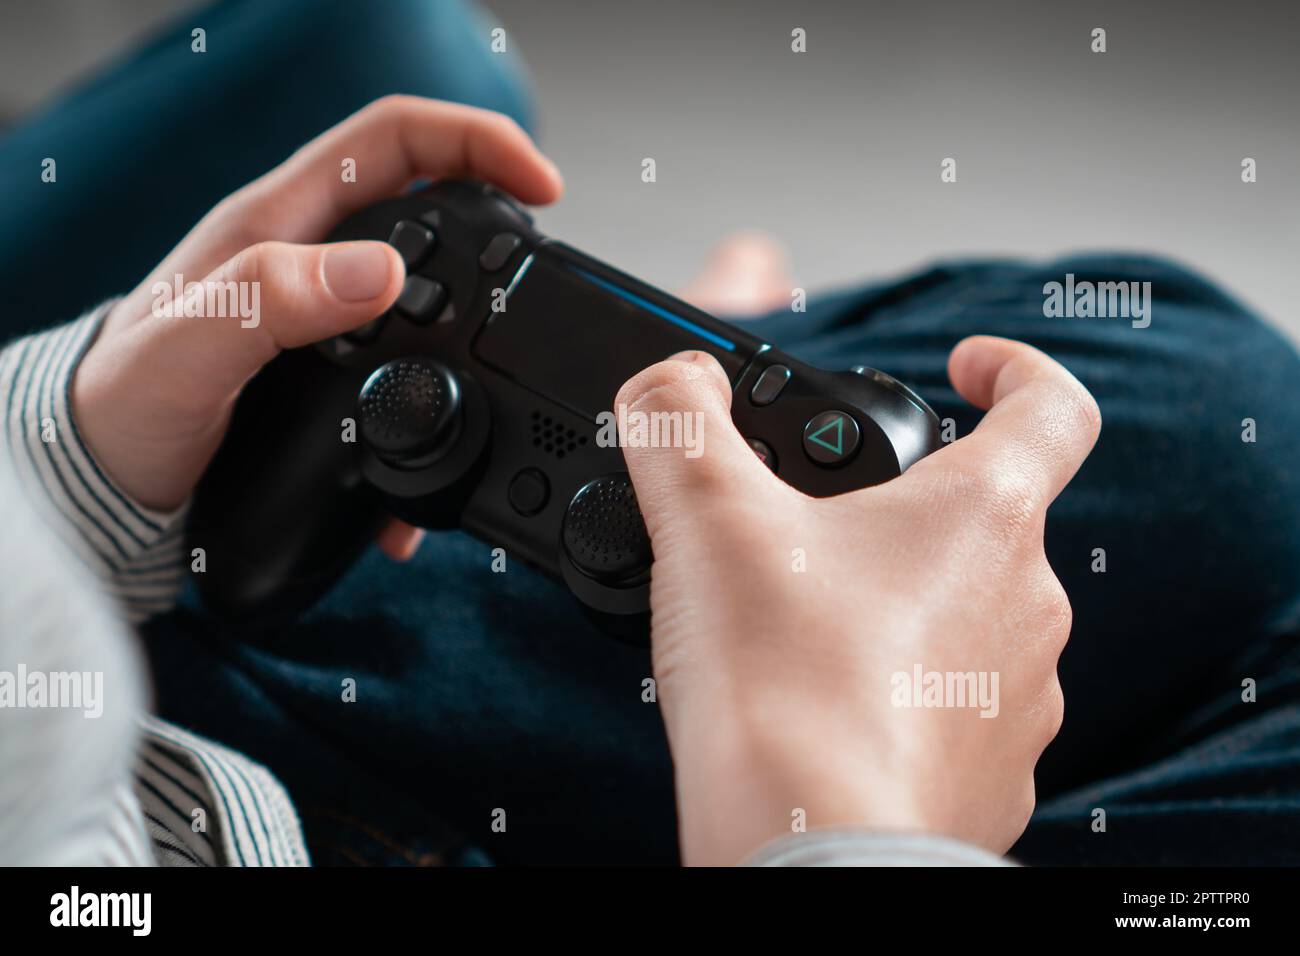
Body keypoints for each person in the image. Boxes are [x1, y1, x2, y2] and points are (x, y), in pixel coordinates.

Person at [2, 0, 1298, 867]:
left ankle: (739, 322)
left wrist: (71, 446)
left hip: (105, 667)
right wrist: (839, 806)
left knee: (405, 59)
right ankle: (761, 318)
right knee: (1228, 415)